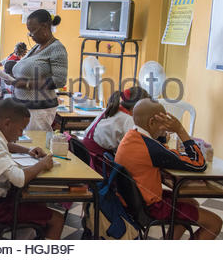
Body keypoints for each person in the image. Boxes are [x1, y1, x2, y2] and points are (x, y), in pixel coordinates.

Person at [115, 98, 222, 240]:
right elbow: (199, 164)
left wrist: (161, 132)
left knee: (190, 202)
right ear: (152, 122)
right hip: (151, 207)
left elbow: (160, 149)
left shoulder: (132, 136)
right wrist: (180, 130)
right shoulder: (150, 148)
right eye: (163, 121)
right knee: (215, 222)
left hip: (134, 202)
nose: (166, 125)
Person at [0, 98, 64, 239]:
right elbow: (19, 179)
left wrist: (27, 150)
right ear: (7, 123)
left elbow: (5, 145)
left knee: (38, 201)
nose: (20, 134)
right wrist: (41, 164)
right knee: (57, 219)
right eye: (20, 129)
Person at [11, 9, 68, 131]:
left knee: (35, 145)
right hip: (23, 107)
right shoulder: (37, 47)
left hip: (39, 110)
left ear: (45, 26)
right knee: (25, 147)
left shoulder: (57, 49)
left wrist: (26, 84)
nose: (31, 36)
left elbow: (59, 80)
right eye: (29, 32)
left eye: (33, 31)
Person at [83, 87, 150, 174]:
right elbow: (141, 146)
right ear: (136, 107)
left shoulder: (111, 110)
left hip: (88, 157)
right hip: (99, 164)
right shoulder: (128, 119)